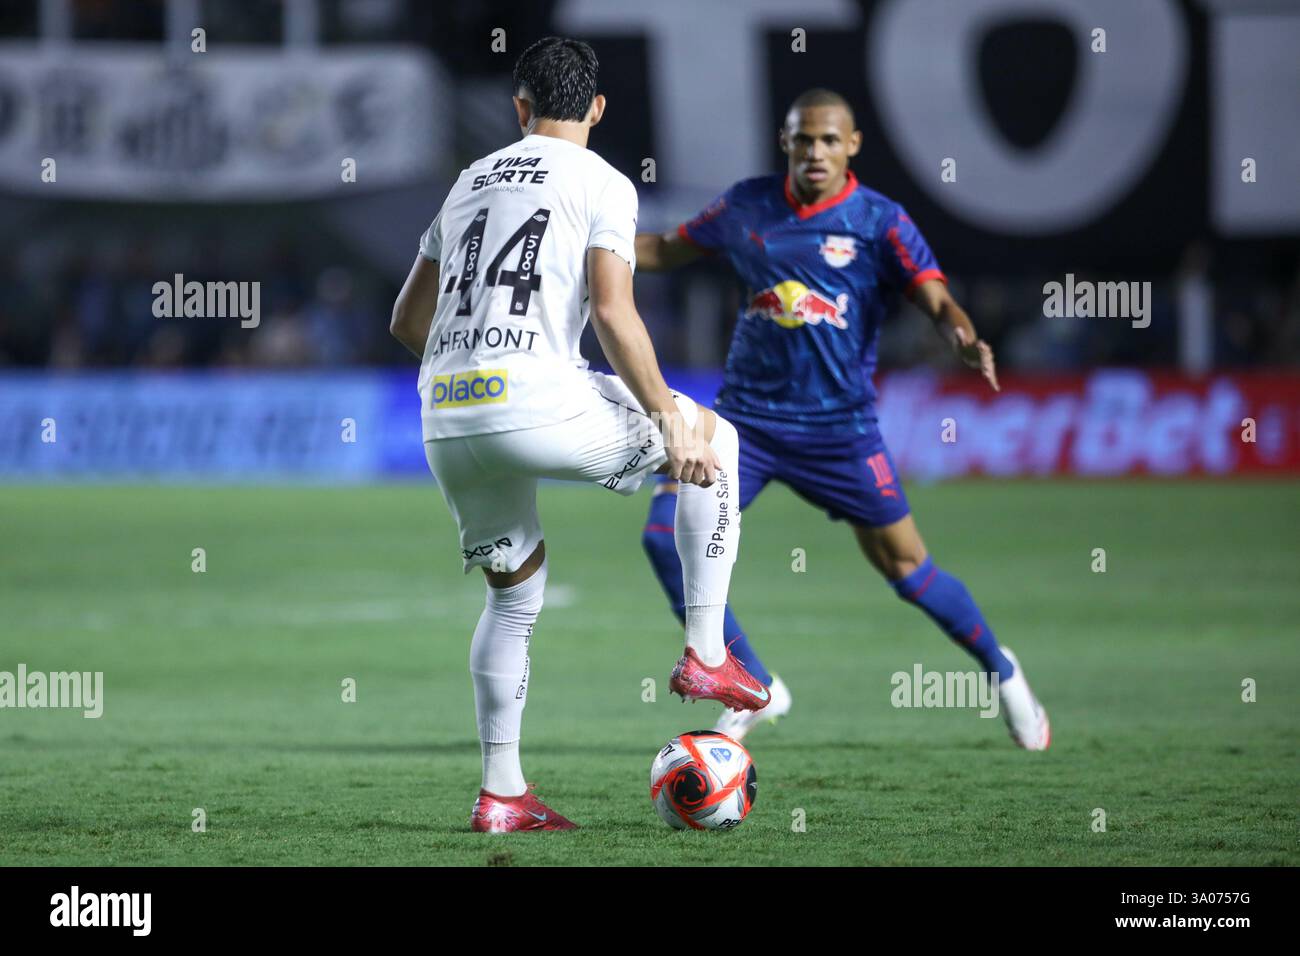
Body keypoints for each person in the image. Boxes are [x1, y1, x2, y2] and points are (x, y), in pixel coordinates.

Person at [389, 37, 768, 834]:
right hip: (537, 402)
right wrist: (671, 418)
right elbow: (612, 311)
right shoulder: (602, 180)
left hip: (445, 415)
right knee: (715, 439)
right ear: (596, 109)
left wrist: (473, 373)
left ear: (519, 109)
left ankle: (501, 795)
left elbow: (405, 321)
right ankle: (706, 651)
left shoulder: (467, 180)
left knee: (513, 597)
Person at [636, 88, 1050, 749]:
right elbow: (663, 249)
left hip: (840, 432)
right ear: (786, 143)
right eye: (804, 139)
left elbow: (939, 300)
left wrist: (963, 335)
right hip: (746, 425)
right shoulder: (747, 206)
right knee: (663, 538)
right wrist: (587, 247)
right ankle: (754, 684)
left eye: (830, 140)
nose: (816, 151)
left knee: (908, 570)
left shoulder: (880, 221)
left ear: (852, 145)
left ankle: (1004, 673)